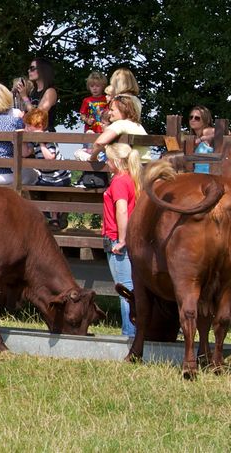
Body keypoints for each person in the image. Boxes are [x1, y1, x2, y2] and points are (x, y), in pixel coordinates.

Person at [102, 142, 142, 337]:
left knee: (125, 288)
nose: (106, 162)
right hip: (132, 238)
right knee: (132, 286)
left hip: (117, 239)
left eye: (108, 159)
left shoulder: (119, 181)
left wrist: (121, 239)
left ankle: (130, 332)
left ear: (116, 161)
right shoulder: (133, 178)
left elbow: (122, 209)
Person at [21, 108, 71, 228]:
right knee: (35, 191)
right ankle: (46, 216)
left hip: (59, 177)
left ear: (39, 126)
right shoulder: (34, 141)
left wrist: (42, 143)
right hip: (46, 177)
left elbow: (50, 157)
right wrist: (22, 141)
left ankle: (55, 218)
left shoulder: (48, 138)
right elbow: (25, 153)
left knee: (52, 192)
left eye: (29, 126)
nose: (27, 129)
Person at [90, 95, 150, 162]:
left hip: (129, 168)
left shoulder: (120, 124)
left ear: (123, 110)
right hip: (145, 167)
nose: (109, 113)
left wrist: (93, 157)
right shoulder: (138, 126)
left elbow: (99, 143)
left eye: (112, 110)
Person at [14, 57, 58, 130]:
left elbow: (38, 116)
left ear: (43, 70)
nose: (29, 71)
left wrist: (24, 97)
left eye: (32, 68)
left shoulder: (50, 91)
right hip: (31, 135)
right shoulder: (33, 91)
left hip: (44, 137)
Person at [187, 105, 215, 174]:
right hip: (197, 178)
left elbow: (225, 133)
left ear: (206, 120)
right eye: (191, 117)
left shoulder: (207, 131)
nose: (193, 120)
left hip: (209, 179)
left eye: (197, 118)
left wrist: (202, 138)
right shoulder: (194, 137)